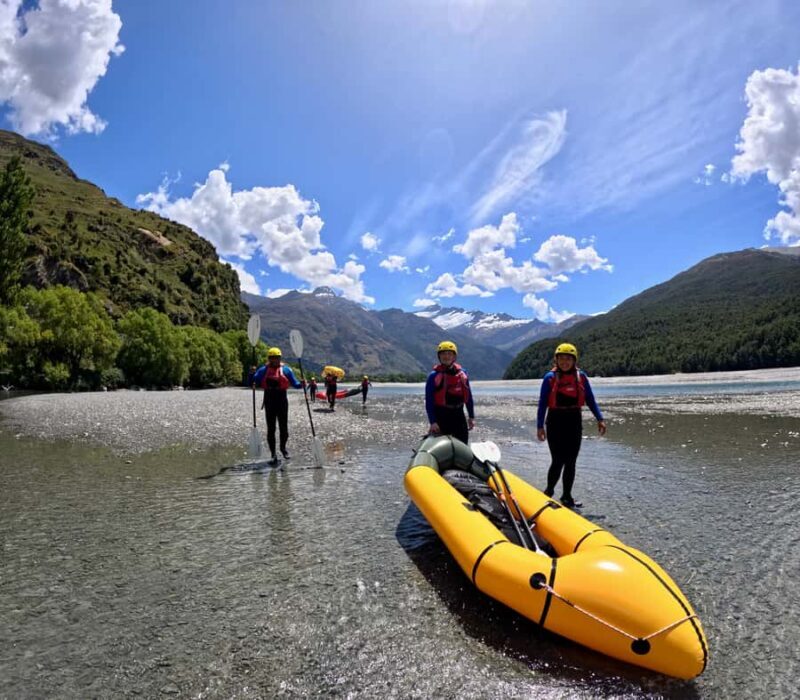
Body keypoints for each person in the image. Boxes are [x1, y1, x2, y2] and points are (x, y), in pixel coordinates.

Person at [536, 342, 606, 508]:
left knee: (571, 461)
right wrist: (540, 426)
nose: (564, 362)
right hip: (555, 421)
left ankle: (567, 496)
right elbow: (542, 404)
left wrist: (600, 418)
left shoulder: (580, 377)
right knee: (558, 460)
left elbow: (590, 399)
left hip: (574, 420)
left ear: (574, 360)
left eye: (568, 359)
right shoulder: (549, 378)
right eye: (561, 358)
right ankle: (548, 492)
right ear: (556, 360)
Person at [251, 347, 304, 464]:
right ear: (269, 359)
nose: (274, 360)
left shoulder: (286, 370)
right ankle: (273, 453)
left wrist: (302, 384)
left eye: (276, 358)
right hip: (269, 400)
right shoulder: (263, 370)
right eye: (272, 358)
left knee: (284, 428)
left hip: (282, 400)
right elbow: (253, 381)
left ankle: (283, 448)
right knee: (271, 429)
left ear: (280, 358)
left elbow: (295, 383)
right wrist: (252, 374)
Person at [425, 341, 475, 444]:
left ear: (454, 356)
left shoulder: (463, 373)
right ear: (439, 356)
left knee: (462, 445)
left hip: (459, 415)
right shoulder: (433, 376)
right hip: (441, 416)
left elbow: (468, 397)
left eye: (449, 354)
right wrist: (433, 422)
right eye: (443, 354)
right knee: (442, 449)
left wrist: (471, 416)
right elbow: (429, 401)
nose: (446, 356)